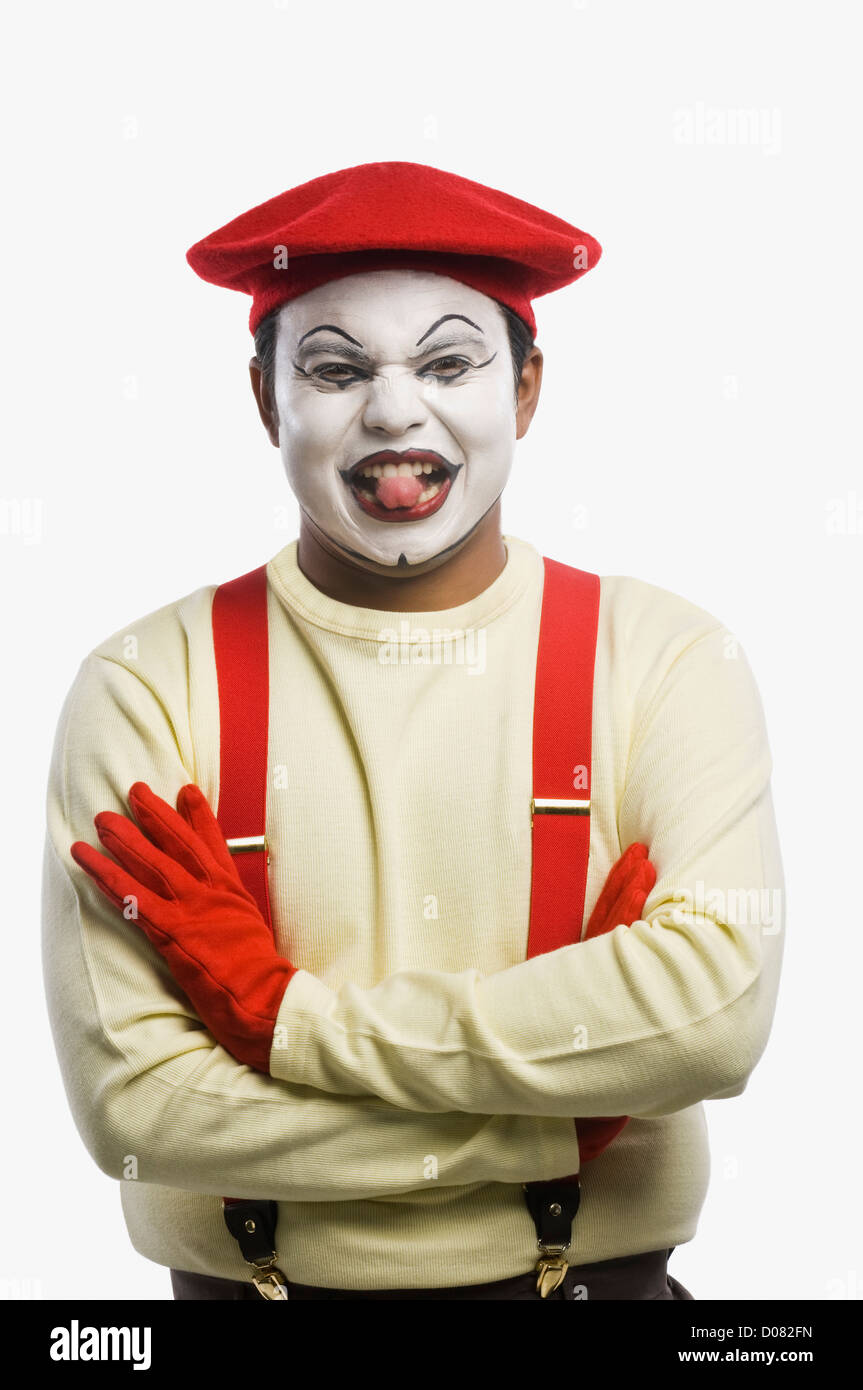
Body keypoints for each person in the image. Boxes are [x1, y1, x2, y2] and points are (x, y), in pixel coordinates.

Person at [42, 160, 784, 1301]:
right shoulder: (146, 684)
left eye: (448, 362)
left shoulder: (666, 660)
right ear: (264, 399)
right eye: (335, 370)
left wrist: (285, 1021)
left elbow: (713, 1019)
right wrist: (554, 1121)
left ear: (526, 390)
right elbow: (137, 1110)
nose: (394, 411)